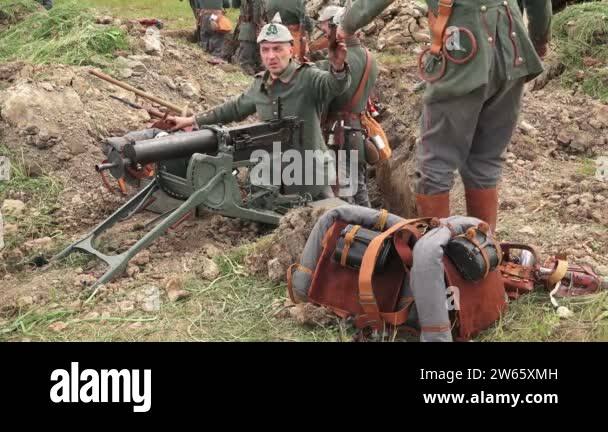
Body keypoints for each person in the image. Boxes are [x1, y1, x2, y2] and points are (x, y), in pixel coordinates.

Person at [339, 0, 551, 231]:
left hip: (463, 55)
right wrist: (539, 40)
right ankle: (483, 252)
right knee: (485, 162)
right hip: (513, 53)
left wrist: (347, 25)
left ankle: (438, 255)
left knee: (435, 165)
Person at [168, 16, 351, 200]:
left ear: (290, 49)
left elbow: (334, 85)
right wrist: (192, 120)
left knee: (328, 221)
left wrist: (338, 68)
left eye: (277, 49)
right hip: (271, 180)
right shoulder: (260, 84)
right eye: (265, 50)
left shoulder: (308, 77)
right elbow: (233, 108)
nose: (271, 56)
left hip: (311, 178)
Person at [315, 6, 378, 207]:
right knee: (360, 190)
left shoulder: (335, 62)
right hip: (357, 132)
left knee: (345, 196)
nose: (326, 33)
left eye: (329, 29)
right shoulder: (370, 57)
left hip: (339, 136)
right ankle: (373, 231)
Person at [231, 0, 266, 75]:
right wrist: (262, 24)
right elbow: (257, 15)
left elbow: (235, 5)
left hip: (245, 27)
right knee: (249, 59)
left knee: (247, 56)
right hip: (253, 28)